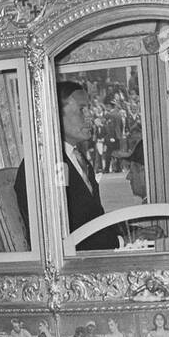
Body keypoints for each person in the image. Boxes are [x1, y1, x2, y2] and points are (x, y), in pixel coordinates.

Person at [14, 80, 120, 251]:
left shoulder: (78, 159)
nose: (89, 116)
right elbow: (61, 232)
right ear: (55, 116)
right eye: (81, 110)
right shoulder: (46, 163)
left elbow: (92, 219)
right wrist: (121, 240)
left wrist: (130, 232)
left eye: (88, 109)